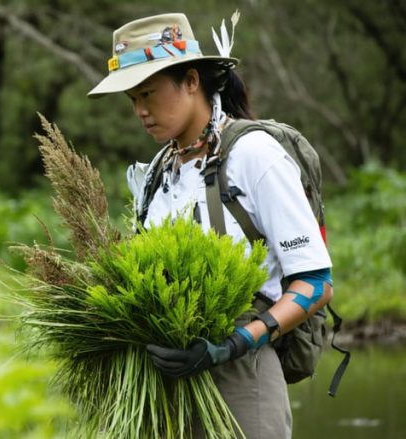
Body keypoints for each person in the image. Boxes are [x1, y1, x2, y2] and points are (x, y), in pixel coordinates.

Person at [88, 13, 333, 438]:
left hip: (243, 374)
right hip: (165, 389)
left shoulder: (254, 155)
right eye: (132, 99)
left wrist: (233, 345)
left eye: (148, 93)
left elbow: (315, 281)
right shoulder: (156, 173)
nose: (141, 111)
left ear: (192, 81)